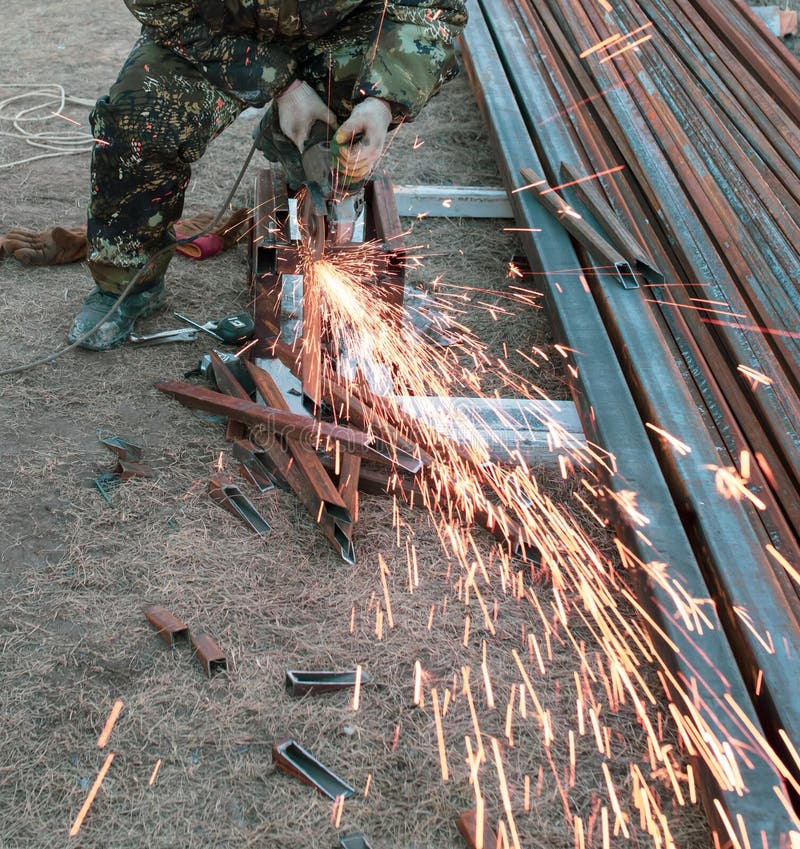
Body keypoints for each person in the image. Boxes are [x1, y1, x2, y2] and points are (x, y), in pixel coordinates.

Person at [68, 0, 468, 350]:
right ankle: (130, 285)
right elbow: (164, 10)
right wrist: (285, 86)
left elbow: (430, 10)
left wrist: (382, 101)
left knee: (345, 128)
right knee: (138, 124)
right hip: (217, 35)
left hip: (339, 33)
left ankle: (327, 228)